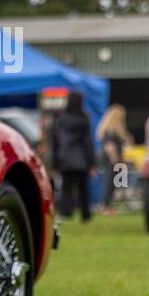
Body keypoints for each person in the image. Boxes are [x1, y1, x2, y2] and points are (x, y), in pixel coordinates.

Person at [52, 92, 95, 223]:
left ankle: (65, 212)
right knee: (83, 188)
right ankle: (85, 214)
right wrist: (91, 162)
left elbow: (55, 142)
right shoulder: (84, 119)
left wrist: (55, 162)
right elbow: (88, 142)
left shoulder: (60, 120)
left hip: (65, 157)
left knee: (66, 188)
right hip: (81, 158)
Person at [96, 105, 134, 214]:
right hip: (112, 160)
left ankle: (106, 205)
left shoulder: (109, 130)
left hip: (112, 160)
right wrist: (116, 160)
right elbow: (109, 146)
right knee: (110, 183)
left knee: (112, 183)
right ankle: (105, 206)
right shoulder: (110, 131)